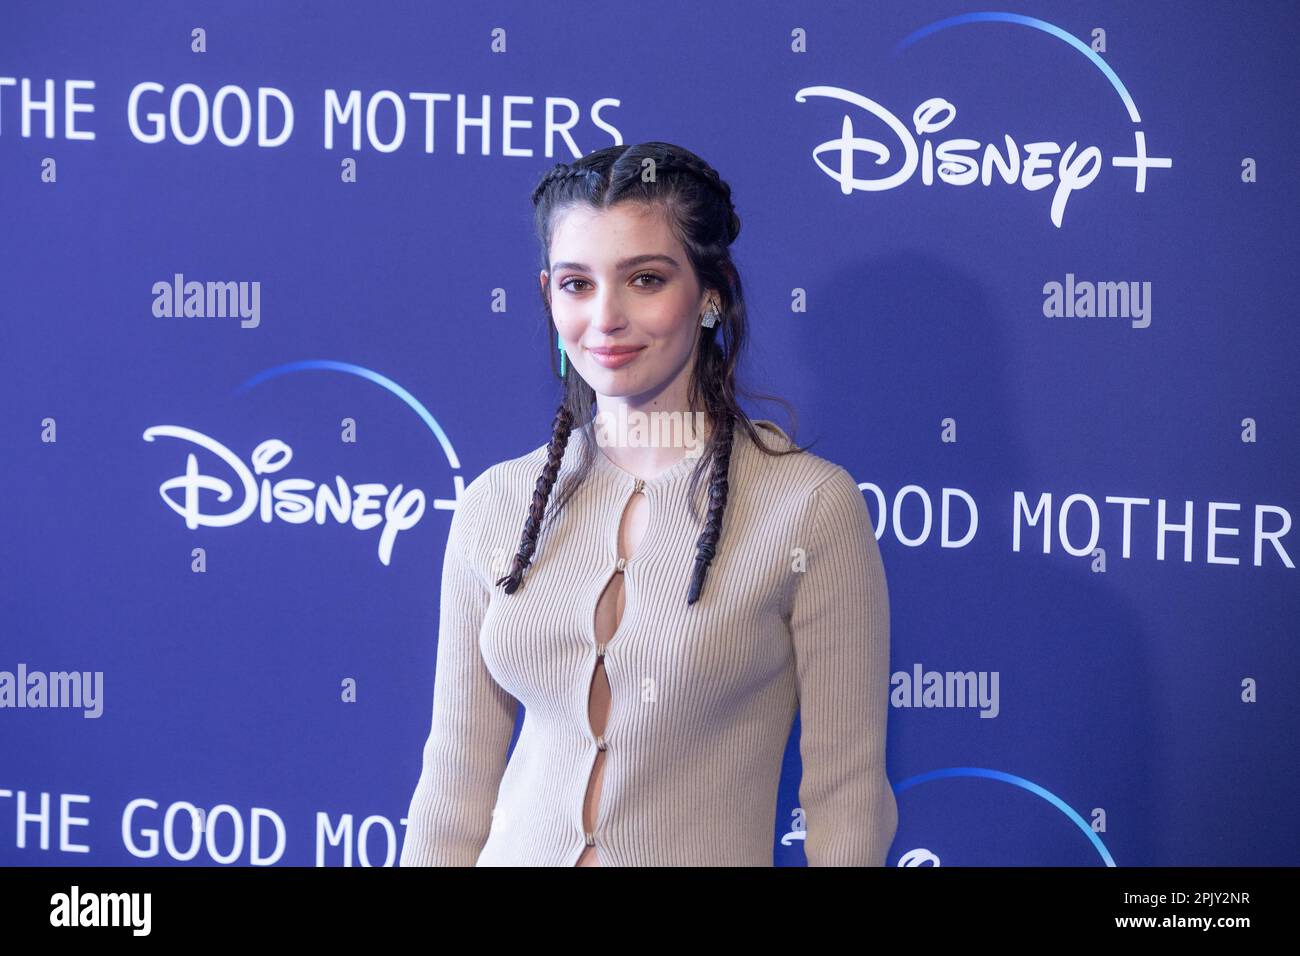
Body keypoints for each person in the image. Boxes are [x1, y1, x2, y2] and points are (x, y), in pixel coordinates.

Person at [399, 142, 897, 866]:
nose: (606, 318)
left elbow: (847, 803)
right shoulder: (495, 504)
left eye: (645, 279)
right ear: (547, 295)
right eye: (576, 284)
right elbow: (454, 780)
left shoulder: (810, 508)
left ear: (712, 293)